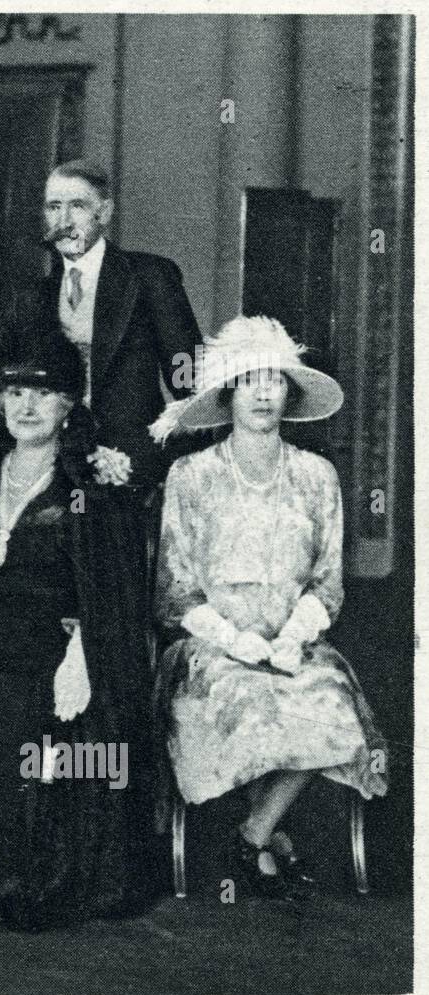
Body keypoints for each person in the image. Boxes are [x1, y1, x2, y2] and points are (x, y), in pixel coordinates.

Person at [0, 327, 156, 928]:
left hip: (49, 659)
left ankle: (23, 878)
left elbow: (108, 592)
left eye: (43, 395)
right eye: (15, 392)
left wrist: (82, 655)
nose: (26, 406)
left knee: (36, 732)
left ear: (68, 406)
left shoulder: (87, 487)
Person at [151, 315, 388, 895]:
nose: (262, 391)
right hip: (212, 649)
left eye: (275, 380)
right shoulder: (192, 476)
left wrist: (291, 637)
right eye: (249, 378)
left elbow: (327, 582)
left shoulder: (316, 476)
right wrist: (235, 641)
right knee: (253, 708)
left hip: (296, 645)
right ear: (229, 393)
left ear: (291, 392)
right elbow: (175, 588)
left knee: (331, 708)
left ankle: (252, 835)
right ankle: (268, 841)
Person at [0, 160, 202, 489]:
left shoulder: (149, 278)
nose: (63, 221)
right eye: (54, 207)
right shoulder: (35, 296)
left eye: (77, 206)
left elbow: (190, 380)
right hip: (54, 468)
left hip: (129, 466)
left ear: (104, 213)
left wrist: (170, 462)